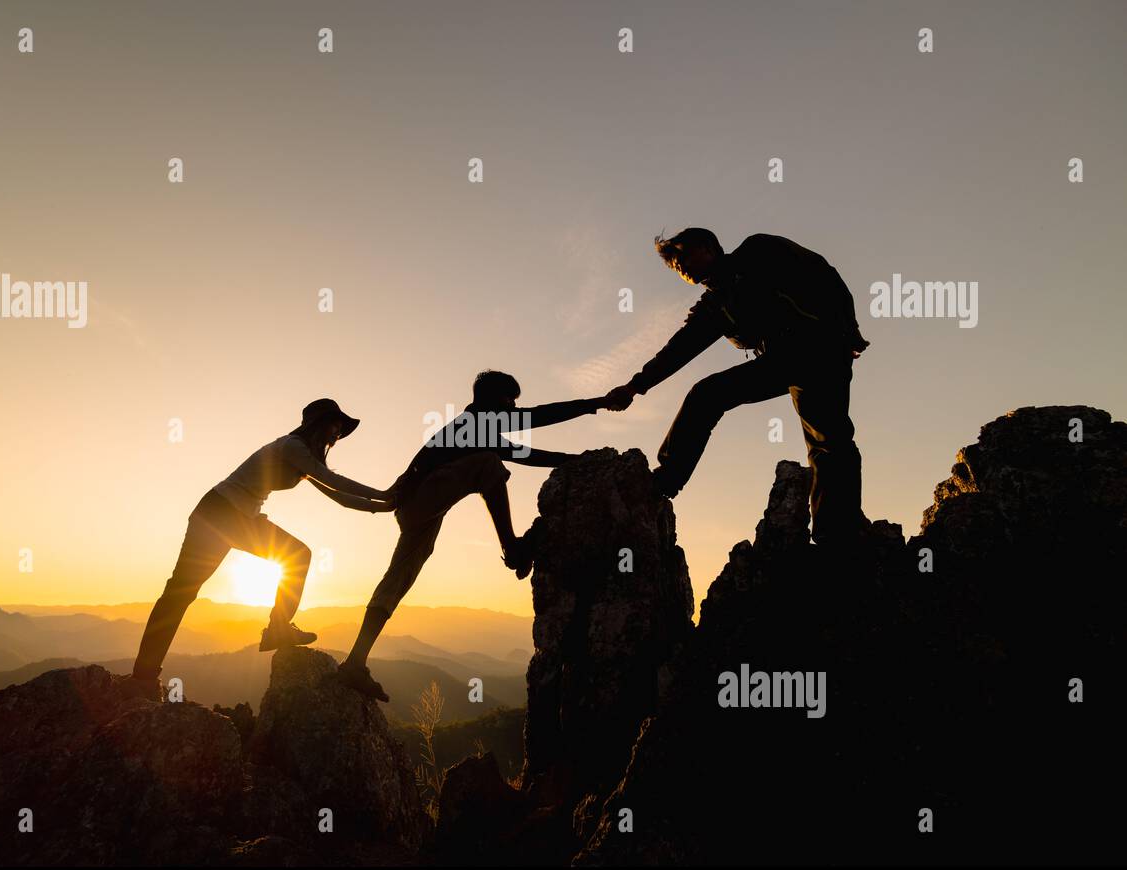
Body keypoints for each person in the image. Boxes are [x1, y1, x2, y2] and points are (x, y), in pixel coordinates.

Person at [337, 371, 609, 701]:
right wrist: (595, 409)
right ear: (492, 399)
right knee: (488, 465)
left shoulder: (475, 426)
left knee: (396, 581)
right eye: (509, 400)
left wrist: (577, 454)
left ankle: (354, 662)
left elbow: (525, 445)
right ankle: (513, 550)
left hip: (418, 509)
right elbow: (536, 423)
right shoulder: (475, 424)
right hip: (421, 500)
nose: (513, 407)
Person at [605, 228, 869, 546]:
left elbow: (823, 273)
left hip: (821, 348)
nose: (681, 265)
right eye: (675, 264)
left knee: (828, 440)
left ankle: (837, 530)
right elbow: (679, 349)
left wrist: (848, 328)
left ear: (710, 246)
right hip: (790, 363)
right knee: (824, 440)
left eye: (684, 254)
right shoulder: (715, 306)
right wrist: (635, 387)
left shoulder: (758, 252)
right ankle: (836, 532)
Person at [125, 399, 392, 699]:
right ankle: (144, 677)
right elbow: (335, 482)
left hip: (236, 517)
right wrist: (385, 494)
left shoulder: (302, 461)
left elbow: (339, 497)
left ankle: (277, 627)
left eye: (341, 430)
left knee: (292, 558)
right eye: (335, 425)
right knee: (182, 592)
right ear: (317, 424)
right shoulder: (292, 447)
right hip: (221, 513)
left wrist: (385, 506)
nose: (337, 434)